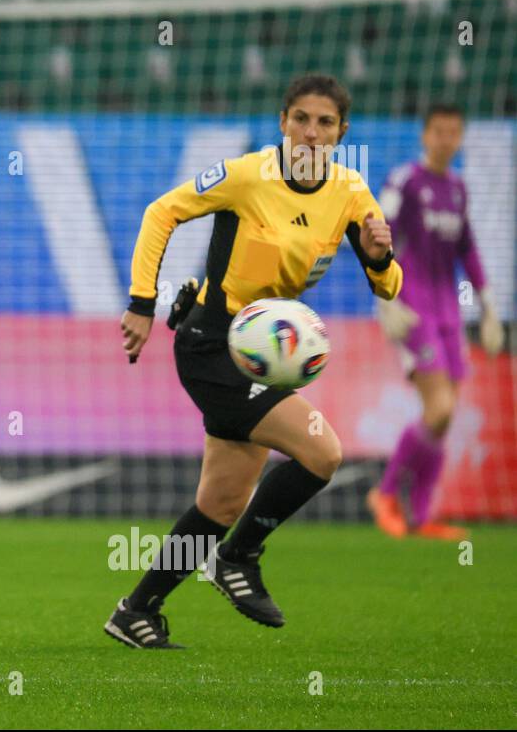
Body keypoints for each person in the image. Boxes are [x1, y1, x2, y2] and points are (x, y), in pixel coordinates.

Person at [105, 73, 402, 649]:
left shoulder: (349, 193)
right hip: (211, 346)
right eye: (300, 119)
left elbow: (389, 286)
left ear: (342, 132)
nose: (311, 132)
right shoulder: (246, 176)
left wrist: (382, 256)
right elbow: (160, 212)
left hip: (261, 357)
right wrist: (142, 303)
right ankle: (238, 557)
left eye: (324, 123)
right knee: (323, 452)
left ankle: (137, 610)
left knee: (220, 501)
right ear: (282, 122)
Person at [367, 104, 504, 540]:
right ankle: (385, 494)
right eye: (439, 131)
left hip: (449, 310)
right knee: (439, 407)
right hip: (411, 304)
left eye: (453, 132)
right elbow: (376, 232)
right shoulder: (404, 181)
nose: (446, 139)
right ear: (425, 135)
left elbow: (469, 250)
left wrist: (489, 308)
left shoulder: (458, 189)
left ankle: (422, 516)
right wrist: (383, 297)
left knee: (444, 417)